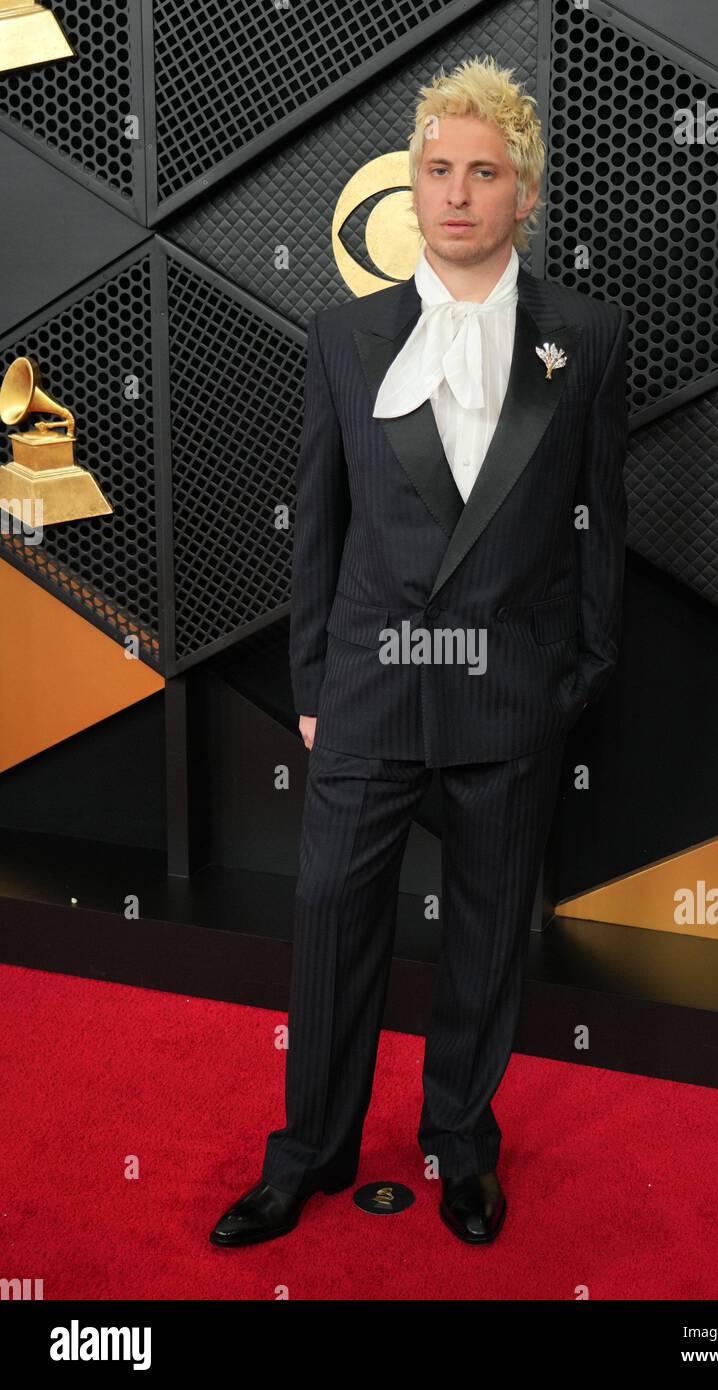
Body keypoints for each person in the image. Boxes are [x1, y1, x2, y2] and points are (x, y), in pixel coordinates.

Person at [210, 53, 628, 1249]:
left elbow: (600, 526)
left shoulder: (586, 340)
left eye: (482, 173)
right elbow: (316, 524)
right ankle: (309, 1156)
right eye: (436, 170)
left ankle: (461, 1147)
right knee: (331, 913)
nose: (455, 193)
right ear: (410, 182)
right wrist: (309, 689)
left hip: (512, 694)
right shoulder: (343, 334)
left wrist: (576, 678)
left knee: (488, 930)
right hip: (366, 687)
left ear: (524, 193)